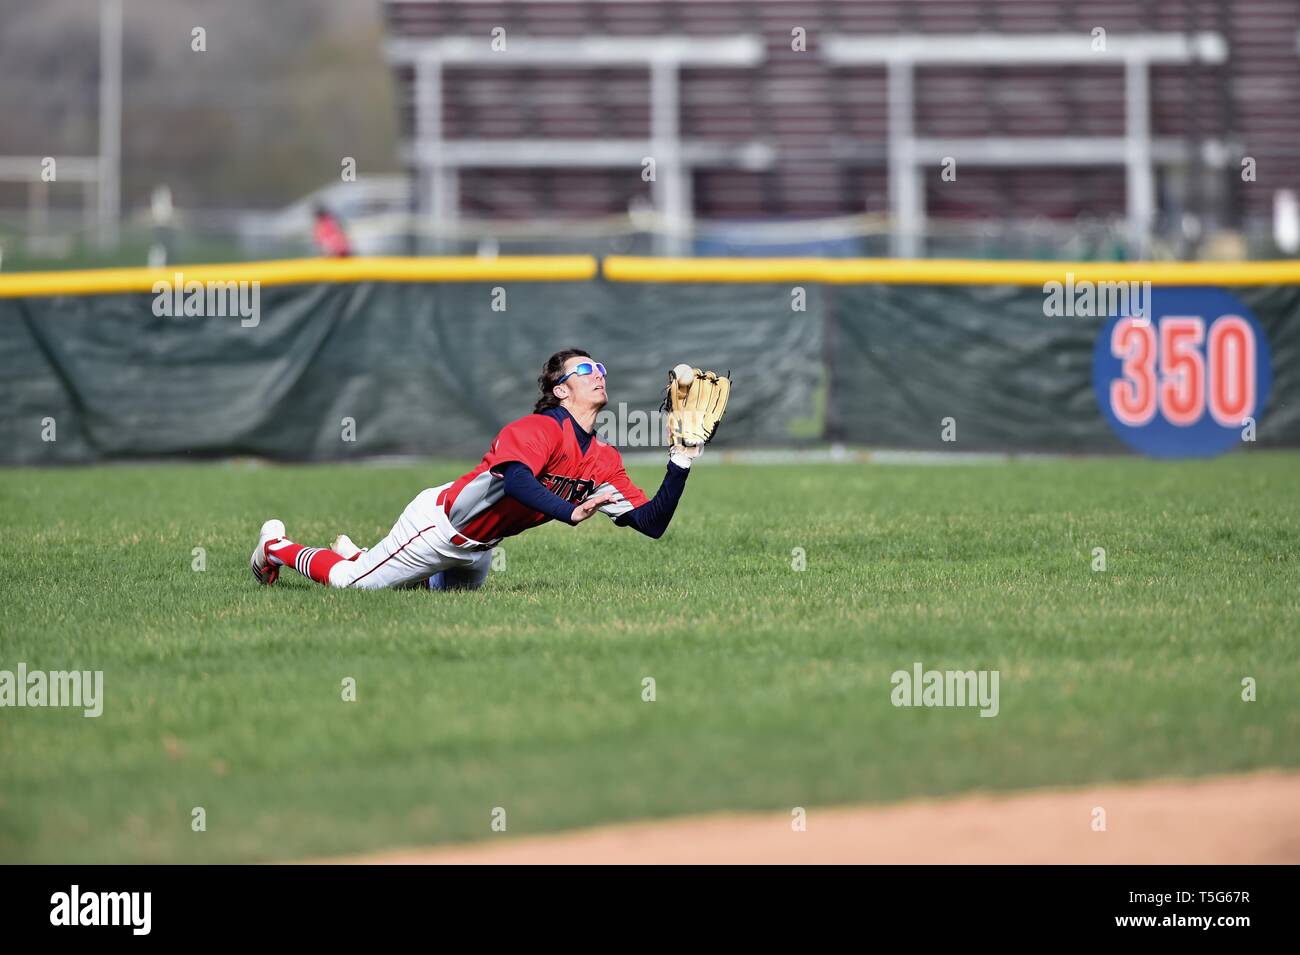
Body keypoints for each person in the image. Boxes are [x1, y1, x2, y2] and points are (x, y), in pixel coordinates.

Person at [250, 348, 699, 590]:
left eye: (599, 366)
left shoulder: (604, 460)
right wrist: (569, 512)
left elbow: (651, 524)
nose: (598, 372)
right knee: (353, 586)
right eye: (584, 369)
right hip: (440, 526)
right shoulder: (539, 428)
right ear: (561, 391)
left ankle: (366, 556)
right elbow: (519, 480)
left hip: (480, 547)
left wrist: (680, 460)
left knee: (443, 597)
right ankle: (275, 545)